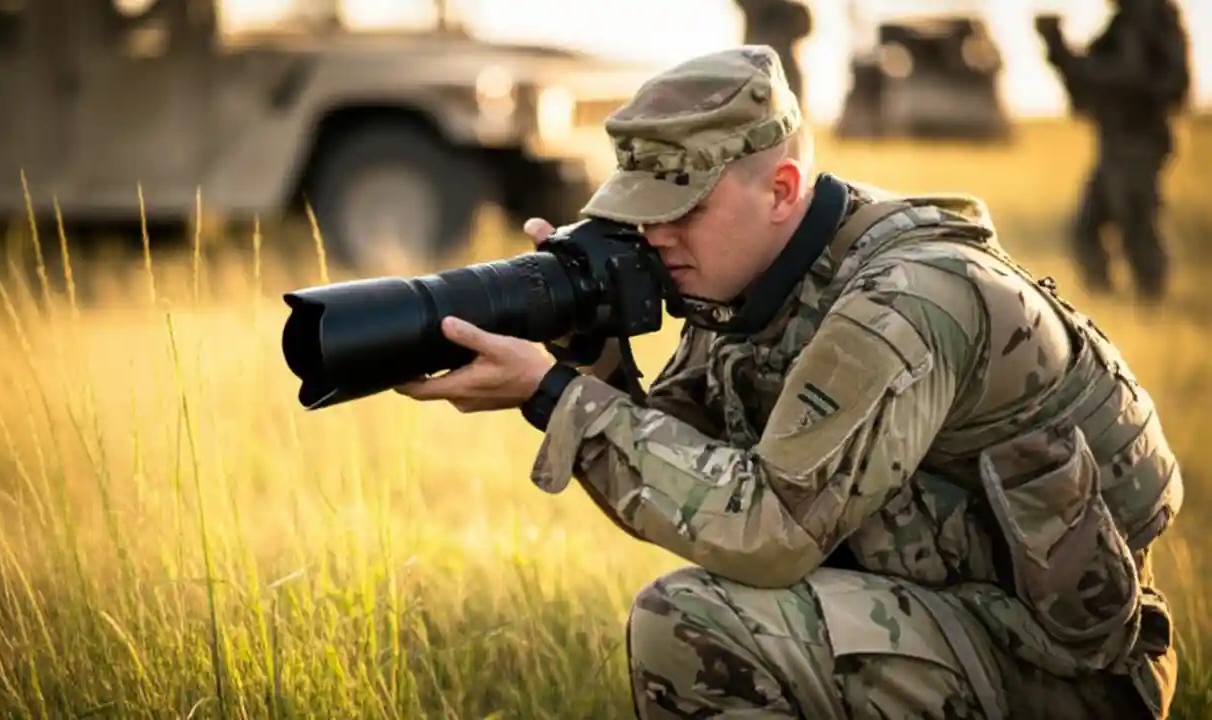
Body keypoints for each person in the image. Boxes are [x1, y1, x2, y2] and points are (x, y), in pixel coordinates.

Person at [395, 45, 1182, 718]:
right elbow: (692, 476)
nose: (655, 237)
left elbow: (764, 532)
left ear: (780, 190)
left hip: (1061, 666)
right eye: (640, 212)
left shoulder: (907, 300)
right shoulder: (749, 277)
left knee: (689, 620)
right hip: (946, 618)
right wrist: (588, 348)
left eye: (682, 208)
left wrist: (552, 395)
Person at [1036, 0, 1191, 301]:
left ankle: (1150, 300)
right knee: (1086, 229)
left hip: (1138, 140)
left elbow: (1163, 83)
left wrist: (1087, 67)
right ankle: (1106, 303)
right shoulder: (1122, 24)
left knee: (1136, 224)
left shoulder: (1151, 19)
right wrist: (1056, 46)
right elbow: (1084, 88)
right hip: (1116, 143)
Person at [735, 0, 813, 107]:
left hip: (782, 69)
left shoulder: (789, 11)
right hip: (756, 68)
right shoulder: (760, 7)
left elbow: (805, 27)